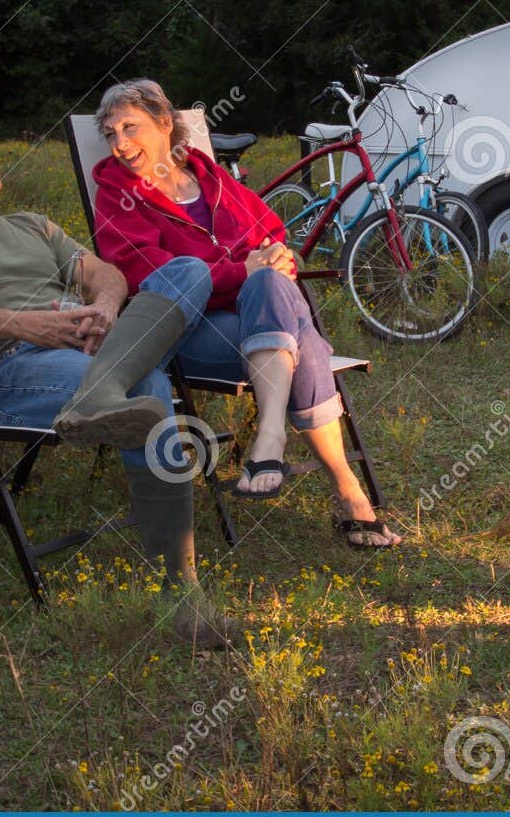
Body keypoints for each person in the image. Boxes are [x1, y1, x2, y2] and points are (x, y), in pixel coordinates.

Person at [0, 121, 236, 646]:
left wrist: (104, 309)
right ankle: (181, 592)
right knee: (148, 391)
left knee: (188, 269)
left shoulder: (32, 224)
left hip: (91, 348)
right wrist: (22, 323)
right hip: (14, 367)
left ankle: (104, 386)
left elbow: (106, 273)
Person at [89, 79, 401, 548]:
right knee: (300, 334)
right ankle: (347, 490)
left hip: (258, 318)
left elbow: (271, 231)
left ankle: (271, 438)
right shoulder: (118, 195)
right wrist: (243, 272)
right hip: (189, 328)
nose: (119, 143)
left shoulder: (209, 177)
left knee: (273, 285)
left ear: (165, 123)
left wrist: (279, 260)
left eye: (129, 127)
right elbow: (145, 274)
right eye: (110, 133)